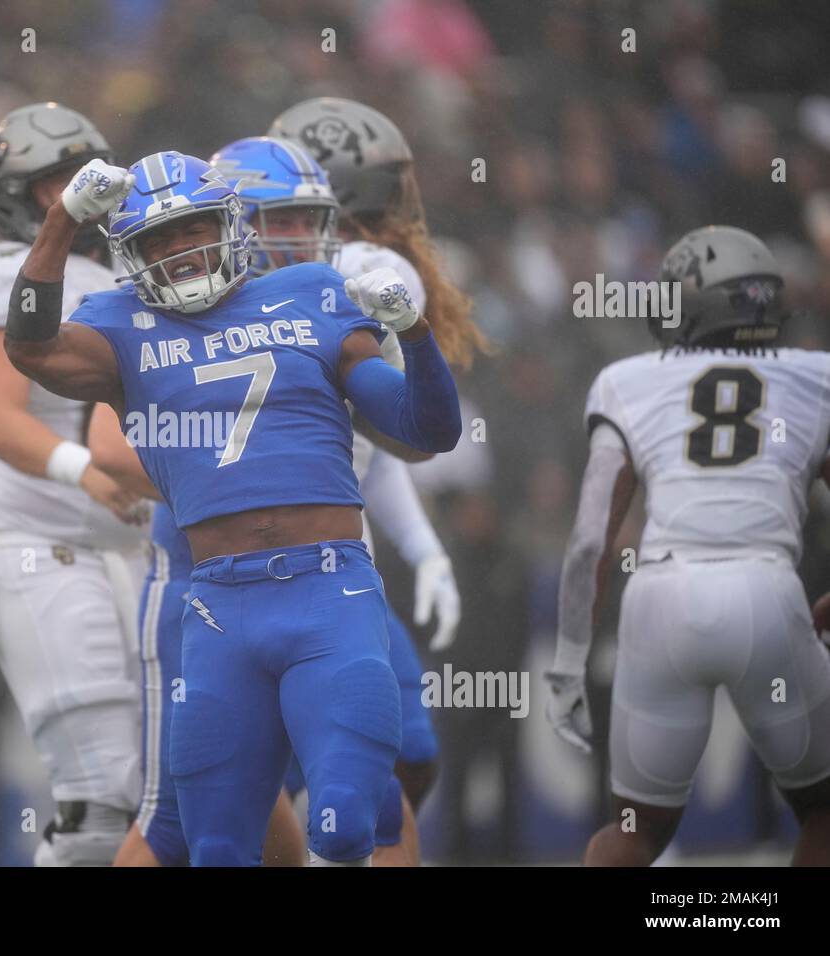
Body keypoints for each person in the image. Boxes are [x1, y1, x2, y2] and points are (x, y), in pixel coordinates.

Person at [5, 148, 461, 866]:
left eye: (190, 230)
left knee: (341, 826)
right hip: (217, 608)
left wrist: (418, 336)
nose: (178, 251)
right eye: (157, 240)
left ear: (230, 223)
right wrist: (62, 222)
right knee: (214, 848)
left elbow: (427, 429)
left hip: (328, 589)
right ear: (129, 253)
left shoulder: (312, 292)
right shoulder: (120, 321)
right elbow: (29, 348)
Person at [545, 225, 830, 866]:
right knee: (823, 812)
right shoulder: (816, 378)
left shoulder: (629, 380)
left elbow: (590, 540)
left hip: (661, 601)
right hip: (767, 593)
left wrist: (568, 660)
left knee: (635, 828)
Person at [0, 102, 148, 867]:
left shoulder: (132, 268)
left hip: (134, 551)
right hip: (40, 542)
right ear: (13, 194)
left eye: (80, 178)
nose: (72, 196)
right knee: (101, 798)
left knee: (174, 790)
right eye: (53, 182)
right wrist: (81, 469)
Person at [270, 97, 487, 813]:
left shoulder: (261, 275)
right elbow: (408, 434)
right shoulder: (370, 266)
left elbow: (376, 434)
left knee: (380, 764)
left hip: (283, 542)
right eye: (389, 180)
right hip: (322, 556)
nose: (403, 198)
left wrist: (424, 550)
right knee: (373, 769)